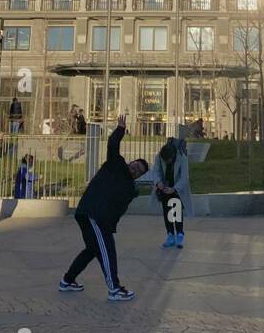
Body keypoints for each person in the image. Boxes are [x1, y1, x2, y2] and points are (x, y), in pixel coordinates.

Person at [60, 115, 148, 301]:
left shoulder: (130, 187)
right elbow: (112, 144)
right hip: (93, 214)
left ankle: (67, 280)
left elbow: (120, 204)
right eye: (135, 165)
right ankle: (114, 288)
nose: (135, 169)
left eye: (139, 171)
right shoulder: (116, 164)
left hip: (98, 219)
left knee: (92, 250)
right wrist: (120, 129)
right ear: (130, 162)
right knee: (107, 251)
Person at [140, 137, 194, 248]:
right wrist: (158, 183)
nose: (167, 162)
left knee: (177, 210)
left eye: (168, 160)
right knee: (167, 211)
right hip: (164, 187)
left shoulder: (182, 158)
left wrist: (174, 189)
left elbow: (185, 177)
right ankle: (170, 235)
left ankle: (179, 235)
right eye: (165, 160)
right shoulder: (160, 157)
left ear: (173, 156)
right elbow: (156, 171)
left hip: (177, 188)